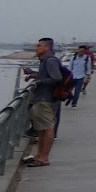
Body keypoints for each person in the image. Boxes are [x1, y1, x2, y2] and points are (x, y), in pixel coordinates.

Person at [22, 37, 65, 167]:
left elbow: (56, 77)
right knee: (42, 129)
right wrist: (33, 75)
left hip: (45, 99)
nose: (36, 48)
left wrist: (39, 82)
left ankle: (43, 158)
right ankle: (40, 155)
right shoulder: (45, 61)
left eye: (39, 45)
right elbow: (47, 76)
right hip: (42, 98)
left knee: (47, 128)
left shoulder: (50, 60)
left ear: (47, 47)